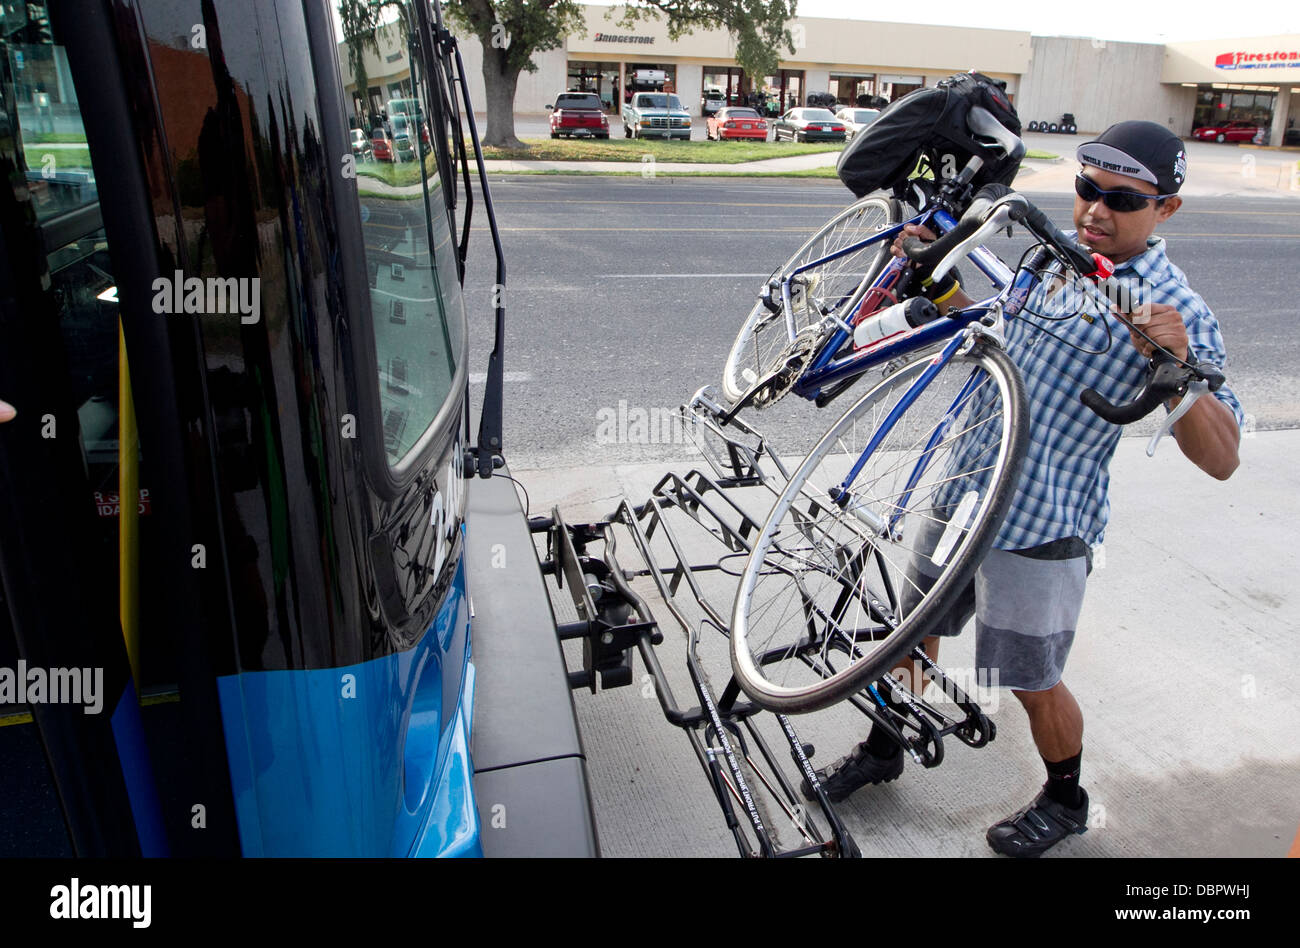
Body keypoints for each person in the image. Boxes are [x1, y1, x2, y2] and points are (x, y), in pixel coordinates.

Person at [803, 121, 1244, 857]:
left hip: (1041, 525)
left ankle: (1066, 798)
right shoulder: (1056, 263)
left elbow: (1223, 458)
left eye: (1122, 200)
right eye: (1085, 189)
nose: (1095, 211)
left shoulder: (1179, 310)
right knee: (910, 639)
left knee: (1030, 681)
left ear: (1165, 209)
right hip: (959, 497)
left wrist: (1175, 368)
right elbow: (984, 339)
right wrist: (932, 276)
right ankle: (885, 748)